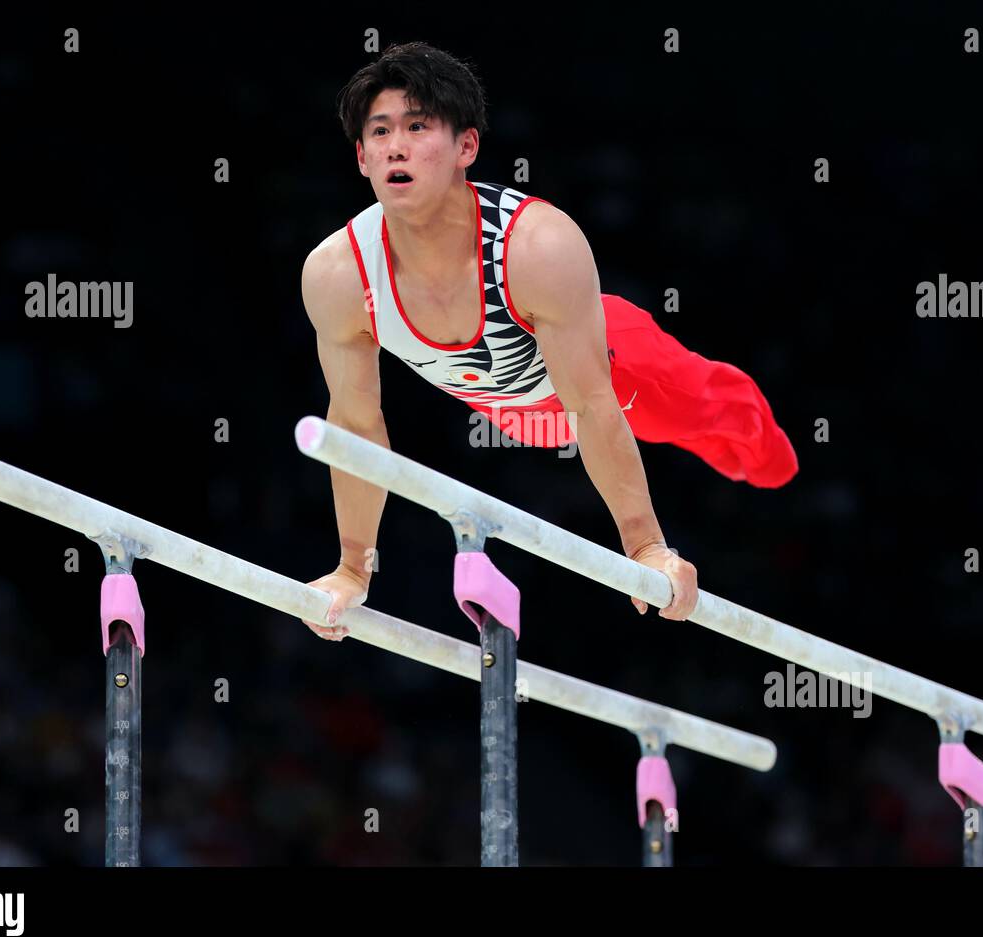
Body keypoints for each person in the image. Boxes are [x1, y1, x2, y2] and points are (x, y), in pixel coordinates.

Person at [300, 42, 797, 641]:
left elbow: (591, 403)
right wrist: (354, 569)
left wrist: (645, 548)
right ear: (361, 157)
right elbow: (356, 424)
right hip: (512, 411)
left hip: (613, 369)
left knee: (728, 420)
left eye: (418, 125)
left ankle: (771, 458)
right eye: (380, 132)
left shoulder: (537, 246)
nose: (396, 145)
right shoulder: (337, 275)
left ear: (466, 147)